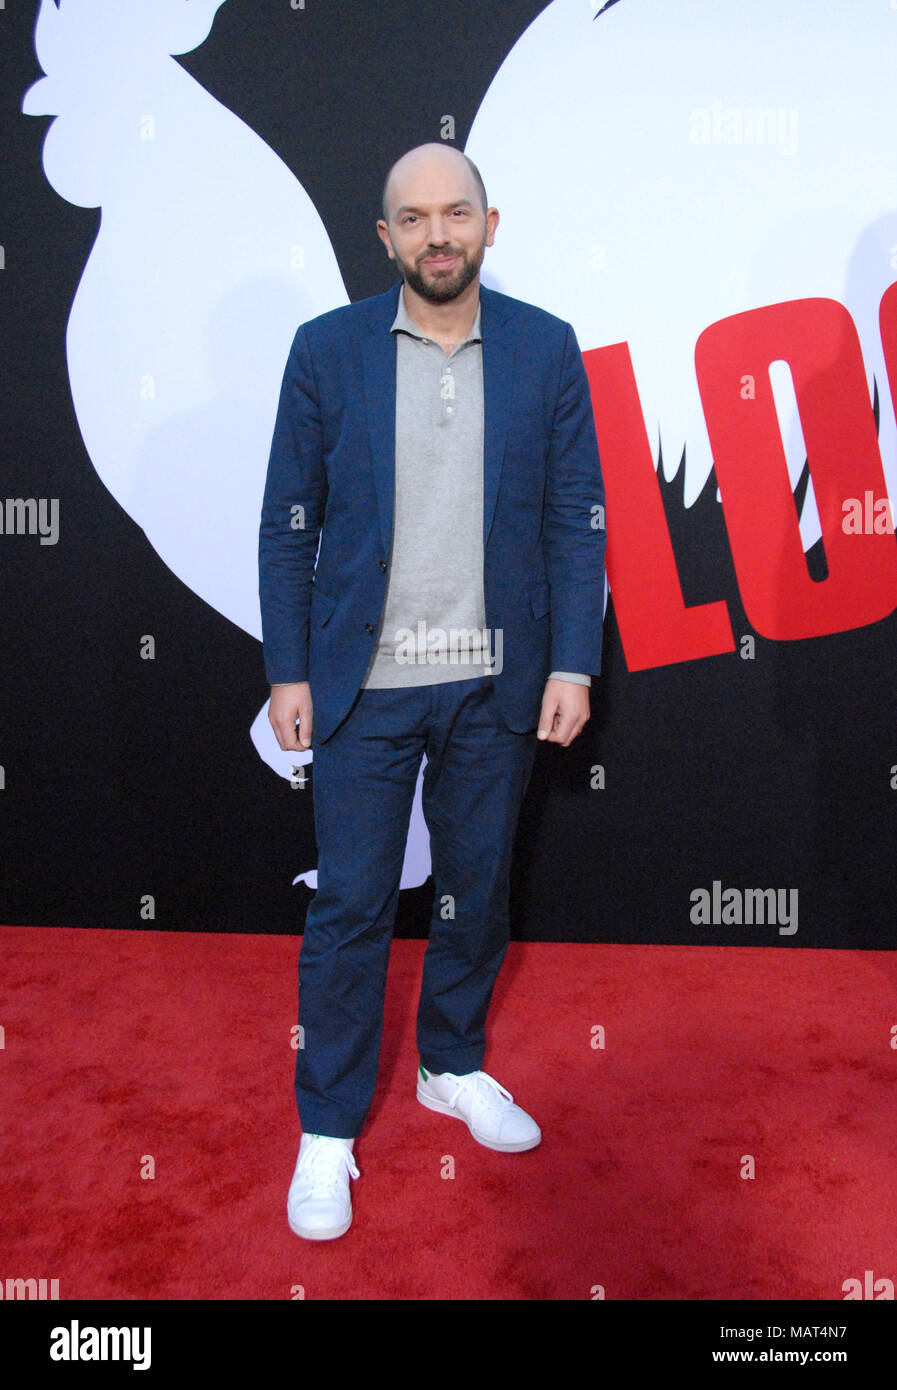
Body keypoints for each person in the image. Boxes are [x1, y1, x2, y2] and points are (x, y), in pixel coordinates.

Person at [258, 142, 606, 1241]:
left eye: (456, 213)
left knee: (475, 888)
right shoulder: (326, 351)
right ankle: (327, 1129)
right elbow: (288, 522)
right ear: (386, 237)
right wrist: (288, 669)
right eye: (413, 218)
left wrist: (571, 660)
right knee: (353, 904)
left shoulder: (547, 350)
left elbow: (573, 516)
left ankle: (450, 1065)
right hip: (365, 683)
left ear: (490, 225)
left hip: (496, 680)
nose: (437, 234)